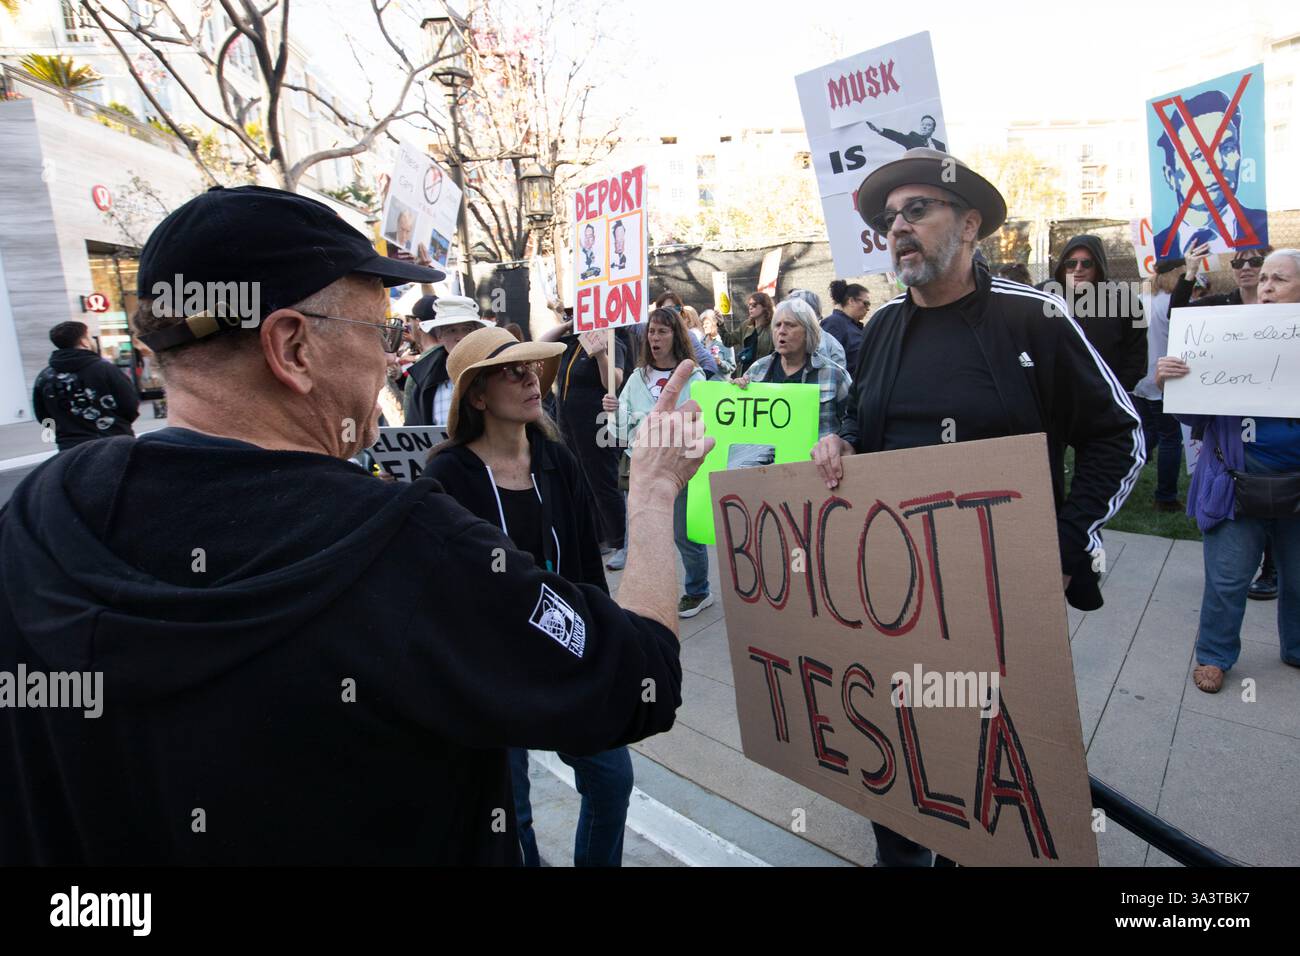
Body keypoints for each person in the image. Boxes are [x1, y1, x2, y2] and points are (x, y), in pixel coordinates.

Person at [0, 184, 710, 865]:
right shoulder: (402, 547)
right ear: (293, 348)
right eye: (381, 330)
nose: (391, 359)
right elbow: (638, 680)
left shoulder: (40, 514)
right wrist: (651, 493)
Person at [812, 148, 1145, 867]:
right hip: (895, 599)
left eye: (916, 210)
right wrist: (837, 445)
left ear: (969, 225)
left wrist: (1061, 543)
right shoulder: (885, 331)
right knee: (898, 754)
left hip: (1003, 602)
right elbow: (864, 434)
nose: (897, 228)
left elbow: (1120, 435)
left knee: (986, 764)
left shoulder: (1035, 320)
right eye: (888, 218)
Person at [424, 326, 635, 867]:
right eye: (510, 371)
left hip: (567, 652)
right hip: (491, 671)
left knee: (612, 780)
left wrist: (602, 644)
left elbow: (588, 562)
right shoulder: (448, 474)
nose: (529, 378)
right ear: (476, 395)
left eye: (531, 368)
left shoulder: (556, 458)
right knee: (510, 813)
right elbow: (441, 587)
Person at [1156, 248, 1300, 694]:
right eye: (1264, 280)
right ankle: (1215, 655)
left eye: (1280, 279)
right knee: (1227, 578)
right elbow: (1195, 421)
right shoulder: (1227, 334)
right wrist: (1173, 385)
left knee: (1297, 578)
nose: (1267, 286)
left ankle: (1295, 647)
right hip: (1235, 481)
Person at [1173, 241, 1277, 598]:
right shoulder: (1222, 306)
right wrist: (1188, 274)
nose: (1246, 267)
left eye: (1256, 261)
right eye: (1239, 261)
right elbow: (1180, 316)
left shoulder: (1287, 314)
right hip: (1233, 429)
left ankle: (1273, 568)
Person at [602, 309, 712, 617]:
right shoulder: (637, 378)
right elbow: (619, 431)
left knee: (683, 535)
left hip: (678, 469)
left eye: (662, 331)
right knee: (645, 534)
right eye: (651, 331)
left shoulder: (694, 376)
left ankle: (698, 590)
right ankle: (648, 596)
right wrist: (613, 411)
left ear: (677, 336)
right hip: (641, 469)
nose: (655, 337)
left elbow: (698, 418)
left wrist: (647, 421)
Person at [542, 319, 630, 569]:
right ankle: (600, 536)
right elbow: (540, 344)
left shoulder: (612, 341)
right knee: (580, 480)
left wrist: (600, 353)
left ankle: (623, 542)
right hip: (569, 425)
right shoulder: (572, 343)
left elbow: (612, 381)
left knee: (604, 481)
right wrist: (568, 325)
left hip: (597, 424)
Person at [1152, 89, 1269, 259]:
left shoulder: (1259, 228)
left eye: (1227, 148)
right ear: (1171, 176)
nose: (1219, 164)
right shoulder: (1158, 247)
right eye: (1199, 155)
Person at [735, 298, 851, 439]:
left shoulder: (834, 375)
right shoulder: (757, 370)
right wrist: (736, 393)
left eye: (790, 325)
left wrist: (839, 444)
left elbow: (852, 425)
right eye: (777, 325)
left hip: (815, 460)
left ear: (809, 332)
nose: (781, 331)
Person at [1050, 235, 1147, 393]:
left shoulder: (1123, 298)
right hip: (1057, 399)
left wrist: (1118, 390)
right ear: (1063, 265)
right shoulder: (1046, 296)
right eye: (1071, 263)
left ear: (1099, 265)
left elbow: (1136, 352)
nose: (1078, 268)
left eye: (1087, 263)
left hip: (1107, 398)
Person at [32, 320, 140, 451]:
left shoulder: (45, 377)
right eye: (89, 336)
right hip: (114, 441)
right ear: (84, 342)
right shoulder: (106, 369)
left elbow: (43, 416)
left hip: (70, 447)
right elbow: (130, 404)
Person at [1132, 259, 1186, 512]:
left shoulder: (1141, 301)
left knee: (1147, 436)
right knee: (1170, 439)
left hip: (1140, 380)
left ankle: (1119, 475)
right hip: (1164, 380)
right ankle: (1165, 497)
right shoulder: (1172, 304)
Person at [402, 295, 491, 427]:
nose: (460, 337)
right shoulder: (423, 378)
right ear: (439, 335)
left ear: (476, 332)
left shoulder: (495, 372)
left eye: (467, 329)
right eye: (452, 330)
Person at [719, 292, 774, 374]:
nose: (750, 308)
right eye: (749, 305)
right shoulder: (746, 325)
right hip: (744, 374)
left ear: (765, 306)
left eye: (754, 305)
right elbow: (728, 341)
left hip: (763, 375)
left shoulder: (773, 327)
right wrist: (721, 324)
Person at [823, 279, 870, 374]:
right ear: (851, 301)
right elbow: (827, 361)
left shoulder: (853, 326)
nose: (868, 309)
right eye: (865, 303)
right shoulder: (834, 323)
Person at [866, 114, 946, 151]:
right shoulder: (913, 138)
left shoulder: (941, 145)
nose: (924, 127)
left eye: (928, 125)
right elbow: (898, 136)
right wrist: (880, 130)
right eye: (922, 124)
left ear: (933, 129)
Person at [699, 309, 736, 377]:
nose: (704, 326)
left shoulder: (724, 342)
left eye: (707, 323)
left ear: (715, 323)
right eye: (703, 324)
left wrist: (720, 363)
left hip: (720, 385)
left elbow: (732, 367)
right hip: (703, 384)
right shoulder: (700, 343)